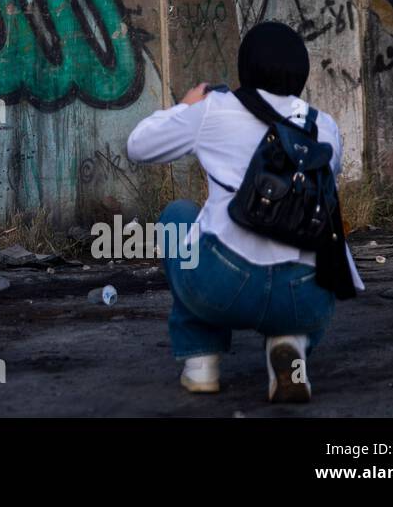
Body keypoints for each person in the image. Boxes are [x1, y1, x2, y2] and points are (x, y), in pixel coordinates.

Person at [125, 21, 364, 402]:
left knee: (178, 217)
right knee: (308, 249)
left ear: (245, 67)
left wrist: (186, 107)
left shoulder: (215, 109)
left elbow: (138, 146)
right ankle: (290, 345)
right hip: (303, 295)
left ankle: (200, 363)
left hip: (222, 286)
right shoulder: (325, 128)